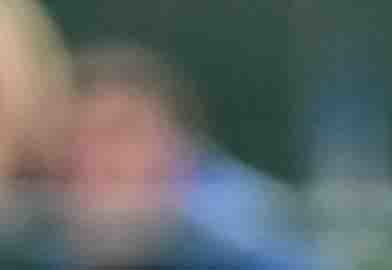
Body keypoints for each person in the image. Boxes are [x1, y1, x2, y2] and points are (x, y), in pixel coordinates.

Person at [45, 49, 307, 270]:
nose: (94, 160)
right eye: (75, 139)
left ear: (181, 143)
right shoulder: (42, 226)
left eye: (119, 133)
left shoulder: (249, 225)